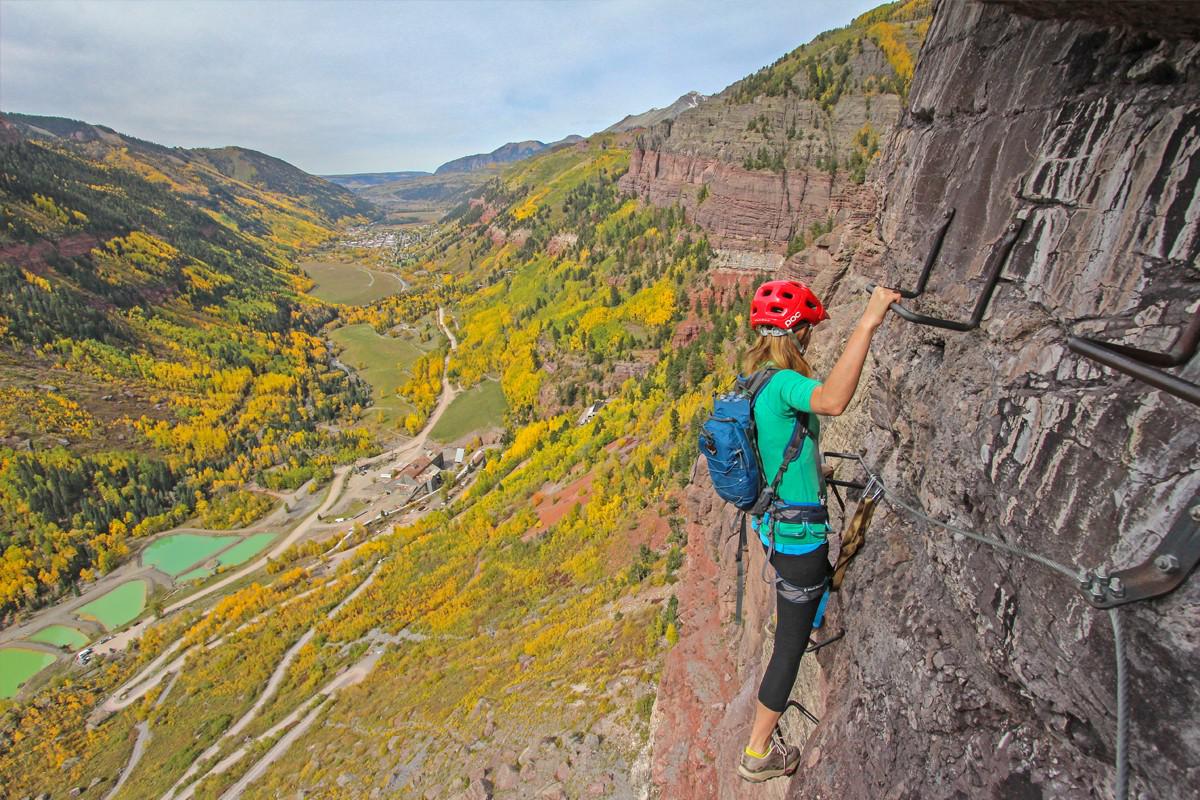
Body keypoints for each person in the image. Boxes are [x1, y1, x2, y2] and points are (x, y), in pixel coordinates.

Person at [737, 280, 900, 783]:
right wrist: (869, 319)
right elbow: (831, 400)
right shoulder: (785, 382)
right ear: (798, 332)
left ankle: (811, 612)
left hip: (773, 525)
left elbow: (773, 448)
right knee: (788, 647)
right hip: (798, 540)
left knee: (799, 615)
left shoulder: (754, 382)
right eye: (808, 329)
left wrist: (813, 474)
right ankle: (757, 751)